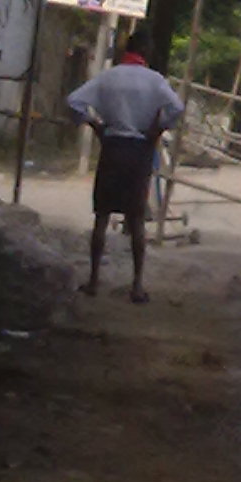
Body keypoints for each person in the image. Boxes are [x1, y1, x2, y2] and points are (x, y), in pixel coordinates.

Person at [66, 25, 184, 305]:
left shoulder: (109, 77)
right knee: (136, 221)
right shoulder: (155, 81)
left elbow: (74, 102)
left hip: (112, 146)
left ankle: (94, 280)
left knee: (102, 216)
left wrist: (95, 124)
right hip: (139, 149)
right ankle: (137, 285)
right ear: (145, 51)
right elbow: (177, 109)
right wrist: (157, 130)